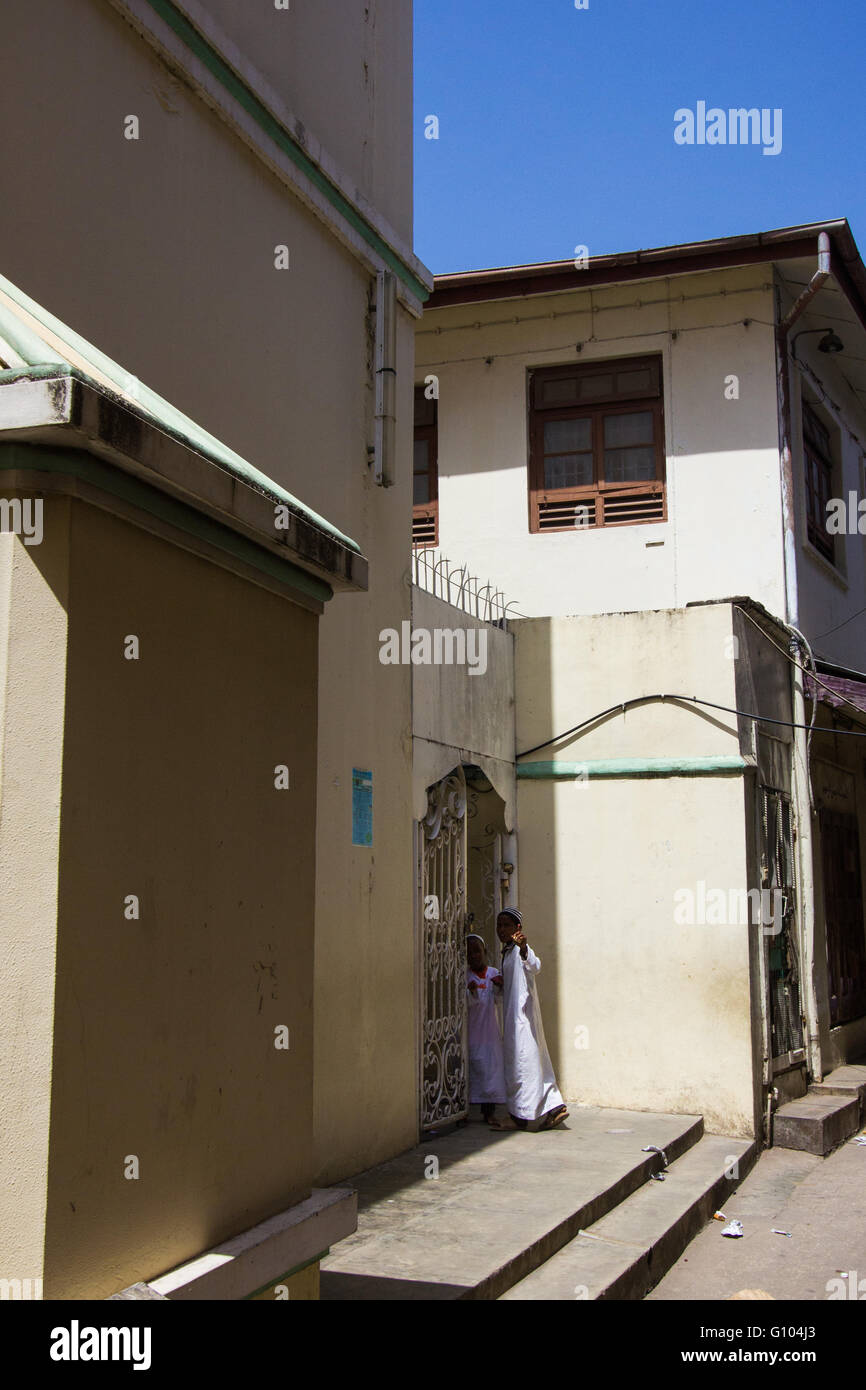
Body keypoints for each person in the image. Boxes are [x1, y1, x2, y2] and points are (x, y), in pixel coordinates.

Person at [492, 908, 568, 1131]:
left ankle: (522, 1116)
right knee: (532, 1064)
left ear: (518, 929)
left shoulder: (519, 950)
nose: (501, 929)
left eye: (506, 925)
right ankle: (552, 1108)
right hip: (515, 1018)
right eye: (499, 925)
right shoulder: (507, 953)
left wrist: (524, 947)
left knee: (523, 1066)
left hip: (522, 1019)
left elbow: (534, 965)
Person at [465, 933, 506, 1123]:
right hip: (473, 1032)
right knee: (475, 1068)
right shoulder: (465, 977)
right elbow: (465, 1004)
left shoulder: (493, 973)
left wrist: (498, 987)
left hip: (490, 1031)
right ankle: (465, 1109)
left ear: (484, 952)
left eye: (477, 951)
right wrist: (471, 993)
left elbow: (498, 1000)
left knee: (491, 1071)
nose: (474, 956)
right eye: (469, 953)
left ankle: (488, 1111)